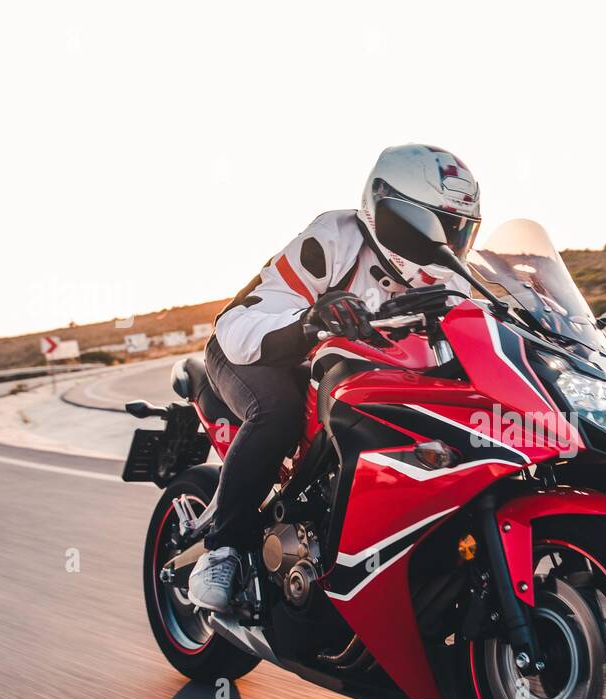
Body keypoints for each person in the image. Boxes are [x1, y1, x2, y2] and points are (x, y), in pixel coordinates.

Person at [187, 144, 482, 612]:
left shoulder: (448, 276)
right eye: (430, 226)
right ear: (386, 210)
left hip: (346, 370)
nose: (443, 242)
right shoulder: (334, 239)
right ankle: (222, 550)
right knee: (278, 413)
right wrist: (310, 321)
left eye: (457, 229)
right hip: (251, 348)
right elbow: (250, 319)